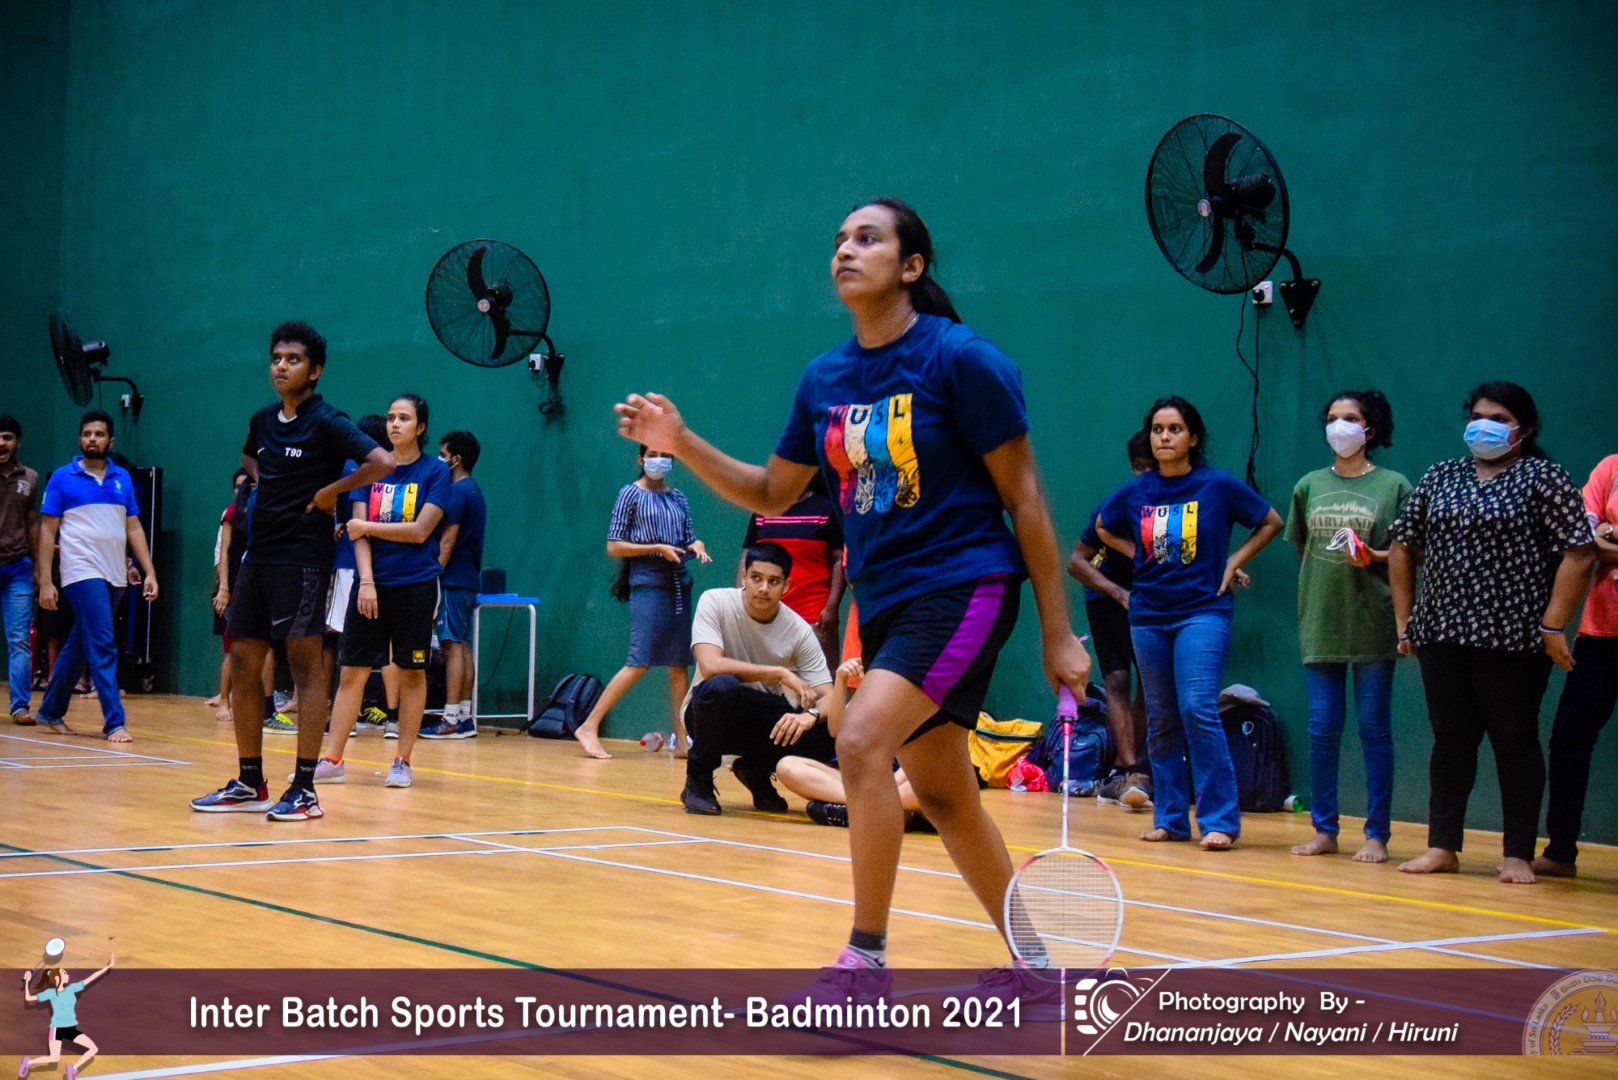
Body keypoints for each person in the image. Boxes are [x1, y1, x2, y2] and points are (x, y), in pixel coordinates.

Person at [616, 197, 1090, 1005]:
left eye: (867, 238)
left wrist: (1058, 630)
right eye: (838, 238)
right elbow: (772, 489)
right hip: (891, 599)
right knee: (941, 790)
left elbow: (1029, 499)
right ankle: (1038, 969)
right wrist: (682, 444)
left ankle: (864, 964)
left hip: (965, 584)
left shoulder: (962, 360)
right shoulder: (825, 378)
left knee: (862, 740)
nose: (845, 249)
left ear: (911, 266)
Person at [1390, 381, 1595, 883]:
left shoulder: (1542, 477)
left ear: (1523, 429)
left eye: (1499, 418)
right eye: (1479, 415)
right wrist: (1406, 619)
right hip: (1442, 632)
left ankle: (1517, 854)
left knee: (1515, 739)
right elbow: (1401, 544)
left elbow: (1580, 551)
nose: (1486, 425)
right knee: (1450, 740)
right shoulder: (1441, 475)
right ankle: (1442, 846)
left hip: (1515, 637)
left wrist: (1553, 623)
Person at [191, 321, 392, 820]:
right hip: (257, 555)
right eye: (276, 357)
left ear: (315, 370)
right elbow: (248, 457)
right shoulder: (262, 419)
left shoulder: (327, 420)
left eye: (293, 359)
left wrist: (330, 494)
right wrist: (266, 485)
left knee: (304, 666)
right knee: (243, 662)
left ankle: (304, 788)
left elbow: (381, 461)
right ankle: (249, 780)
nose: (281, 365)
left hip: (303, 558)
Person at [1097, 396, 1283, 851]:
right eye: (1158, 429)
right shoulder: (1136, 491)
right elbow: (1102, 528)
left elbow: (1270, 521)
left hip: (1203, 611)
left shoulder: (1216, 485)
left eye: (1175, 429)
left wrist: (1233, 559)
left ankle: (1219, 819)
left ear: (1193, 438)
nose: (1165, 437)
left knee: (1198, 706)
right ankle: (1171, 818)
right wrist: (1137, 556)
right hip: (1149, 615)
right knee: (1161, 718)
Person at [1285, 390, 1412, 864]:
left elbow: (1406, 555)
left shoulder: (1395, 485)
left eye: (1351, 418)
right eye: (1333, 417)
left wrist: (1372, 557)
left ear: (1370, 429)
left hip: (1374, 621)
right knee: (1322, 728)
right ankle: (1325, 829)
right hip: (1321, 622)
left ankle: (1377, 834)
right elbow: (1303, 548)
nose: (1340, 426)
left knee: (1374, 728)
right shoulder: (1308, 486)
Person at [318, 395, 451, 788]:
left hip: (416, 585)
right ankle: (332, 758)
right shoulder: (367, 469)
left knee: (411, 672)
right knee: (351, 672)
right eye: (392, 417)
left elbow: (420, 530)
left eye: (404, 418)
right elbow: (355, 531)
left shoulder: (435, 473)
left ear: (420, 427)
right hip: (370, 584)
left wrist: (370, 528)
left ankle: (402, 761)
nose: (395, 424)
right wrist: (368, 581)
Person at [573, 444, 713, 759]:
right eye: (651, 454)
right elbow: (614, 545)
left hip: (679, 583)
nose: (659, 460)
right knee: (639, 661)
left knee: (678, 664)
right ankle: (589, 725)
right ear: (641, 458)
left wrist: (697, 544)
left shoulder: (678, 497)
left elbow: (688, 537)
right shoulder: (630, 495)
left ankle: (681, 736)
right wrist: (657, 548)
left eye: (665, 454)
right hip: (648, 583)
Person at [681, 542, 837, 814]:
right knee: (722, 686)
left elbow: (830, 697)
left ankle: (757, 768)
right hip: (708, 713)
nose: (764, 588)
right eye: (756, 578)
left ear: (786, 586)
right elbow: (710, 665)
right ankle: (698, 781)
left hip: (761, 719)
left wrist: (809, 715)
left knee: (831, 730)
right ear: (744, 577)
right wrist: (779, 672)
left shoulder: (798, 630)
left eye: (773, 581)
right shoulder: (715, 602)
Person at [33, 411, 158, 742]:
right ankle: (114, 721)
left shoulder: (122, 479)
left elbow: (133, 526)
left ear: (110, 441)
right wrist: (45, 580)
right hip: (80, 572)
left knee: (78, 645)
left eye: (99, 434)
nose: (92, 439)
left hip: (115, 574)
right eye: (87, 434)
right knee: (103, 642)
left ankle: (50, 711)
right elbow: (47, 533)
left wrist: (149, 571)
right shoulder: (61, 478)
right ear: (79, 439)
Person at [1535, 450, 1618, 878]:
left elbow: (1597, 541)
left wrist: (1611, 535)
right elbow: (1580, 540)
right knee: (1569, 738)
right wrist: (1601, 537)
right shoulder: (1609, 468)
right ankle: (1561, 851)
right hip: (1602, 632)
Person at [1067, 430, 1155, 810]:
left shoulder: (1183, 498)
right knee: (1118, 680)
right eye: (1147, 469)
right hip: (1108, 596)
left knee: (1153, 684)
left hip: (1153, 600)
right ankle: (1129, 771)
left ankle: (1129, 765)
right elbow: (1076, 562)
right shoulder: (1120, 503)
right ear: (1138, 468)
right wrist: (1120, 594)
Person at [775, 657, 932, 831]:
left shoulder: (928, 694)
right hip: (867, 782)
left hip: (903, 781)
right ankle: (871, 809)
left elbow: (923, 762)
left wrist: (887, 790)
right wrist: (841, 682)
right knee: (787, 766)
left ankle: (863, 809)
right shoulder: (877, 685)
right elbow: (836, 731)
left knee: (929, 780)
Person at [320, 413, 389, 729]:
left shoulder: (355, 469)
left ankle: (328, 709)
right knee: (347, 640)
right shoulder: (375, 470)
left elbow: (337, 510)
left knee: (334, 638)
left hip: (352, 565)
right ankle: (334, 708)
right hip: (363, 565)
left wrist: (339, 524)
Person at [739, 470, 845, 664]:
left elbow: (840, 561)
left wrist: (831, 607)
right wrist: (740, 598)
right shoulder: (762, 510)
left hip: (813, 613)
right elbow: (747, 556)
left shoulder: (826, 509)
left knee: (818, 683)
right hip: (766, 611)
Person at [422, 429, 485, 740]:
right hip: (466, 579)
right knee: (460, 645)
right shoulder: (473, 490)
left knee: (450, 645)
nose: (438, 459)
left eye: (442, 454)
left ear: (455, 459)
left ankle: (450, 719)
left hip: (452, 580)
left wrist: (434, 575)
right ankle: (463, 714)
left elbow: (447, 541)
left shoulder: (458, 493)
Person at [0, 414, 40, 725]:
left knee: (18, 639)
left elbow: (33, 524)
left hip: (17, 568)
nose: (2, 443)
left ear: (17, 442)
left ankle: (20, 707)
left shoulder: (31, 478)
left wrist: (41, 568)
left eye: (8, 437)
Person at [18, 954, 114, 1080]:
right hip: (57, 1029)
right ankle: (27, 1063)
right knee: (54, 1058)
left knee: (93, 1048)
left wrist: (108, 967)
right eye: (64, 973)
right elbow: (28, 998)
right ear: (58, 978)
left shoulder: (71, 989)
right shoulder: (50, 993)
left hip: (70, 1029)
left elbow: (90, 978)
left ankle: (72, 1069)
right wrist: (27, 982)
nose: (67, 974)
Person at [207, 469, 253, 721]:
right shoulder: (231, 514)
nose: (243, 489)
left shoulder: (262, 512)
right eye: (239, 486)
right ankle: (224, 700)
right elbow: (223, 553)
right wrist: (224, 588)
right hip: (233, 587)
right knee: (232, 648)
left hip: (255, 588)